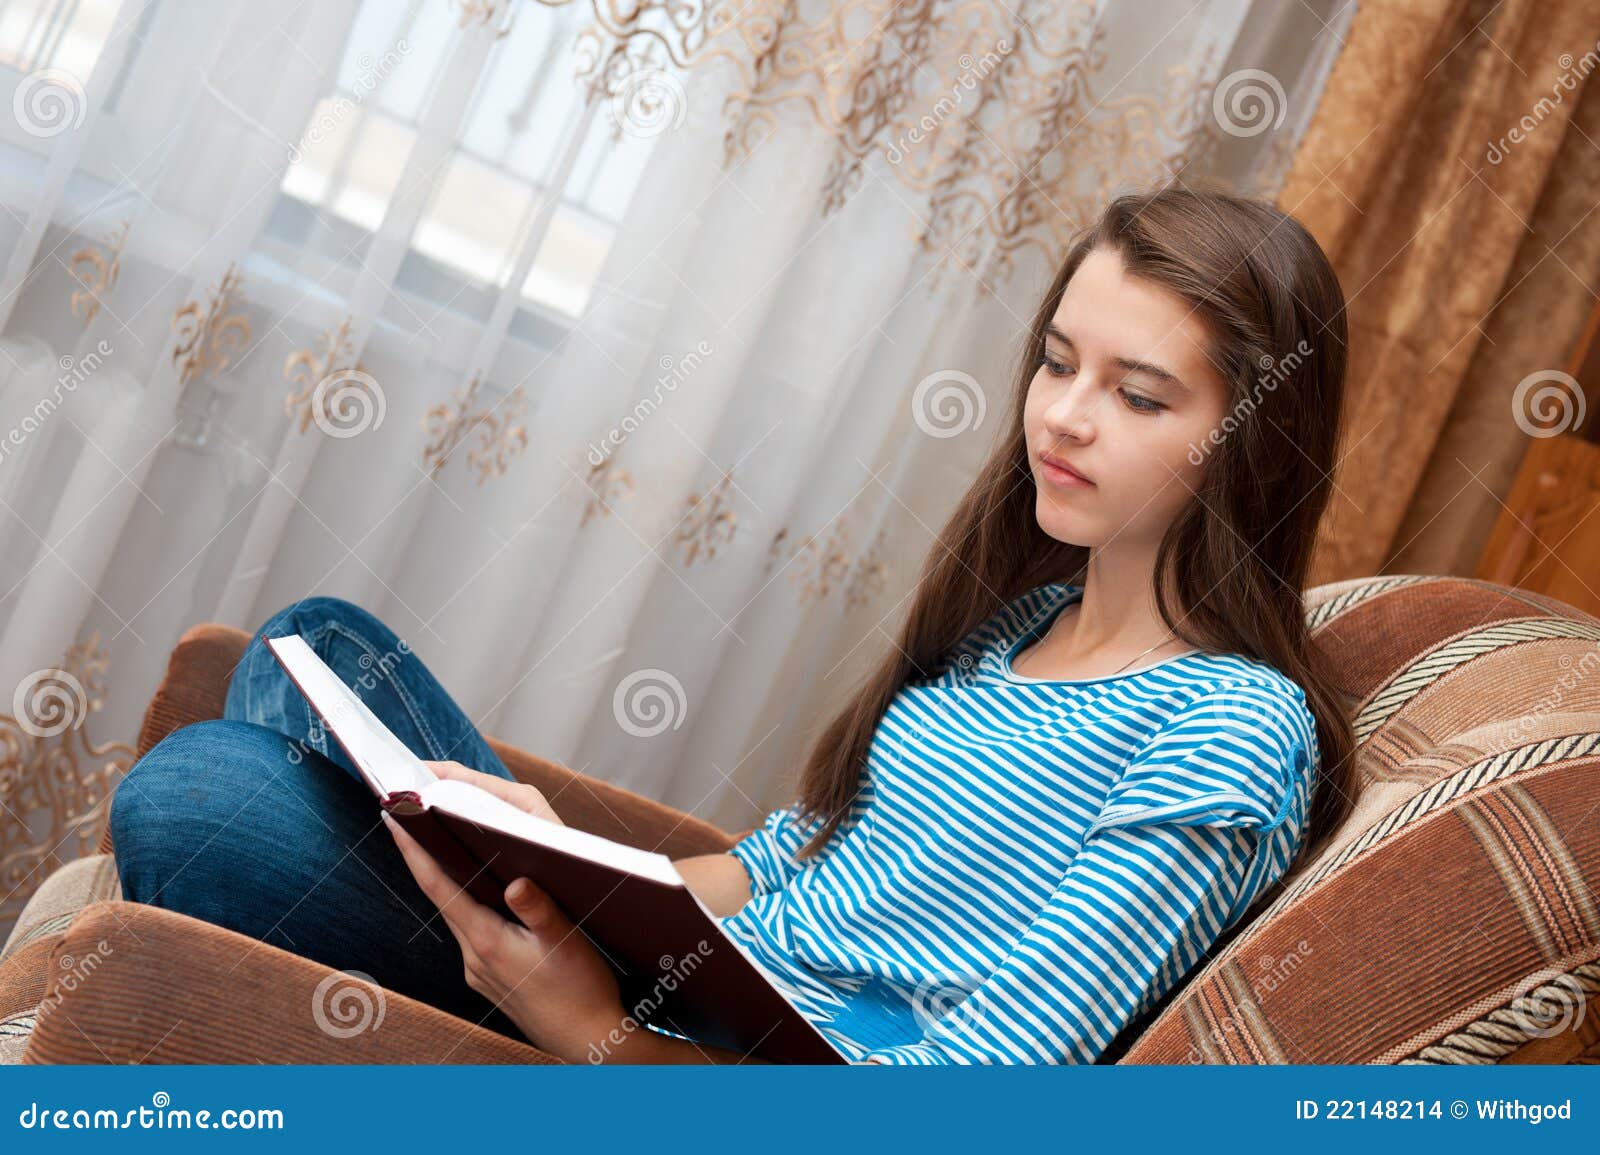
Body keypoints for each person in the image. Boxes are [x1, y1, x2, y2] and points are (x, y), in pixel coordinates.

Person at [111, 182, 1356, 1064]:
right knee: (322, 642)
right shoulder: (1025, 618)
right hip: (684, 979)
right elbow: (787, 863)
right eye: (1055, 361)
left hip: (692, 1070)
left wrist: (591, 1032)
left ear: (1254, 440)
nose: (1063, 416)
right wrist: (565, 866)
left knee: (198, 798)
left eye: (1136, 394)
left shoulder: (1230, 727)